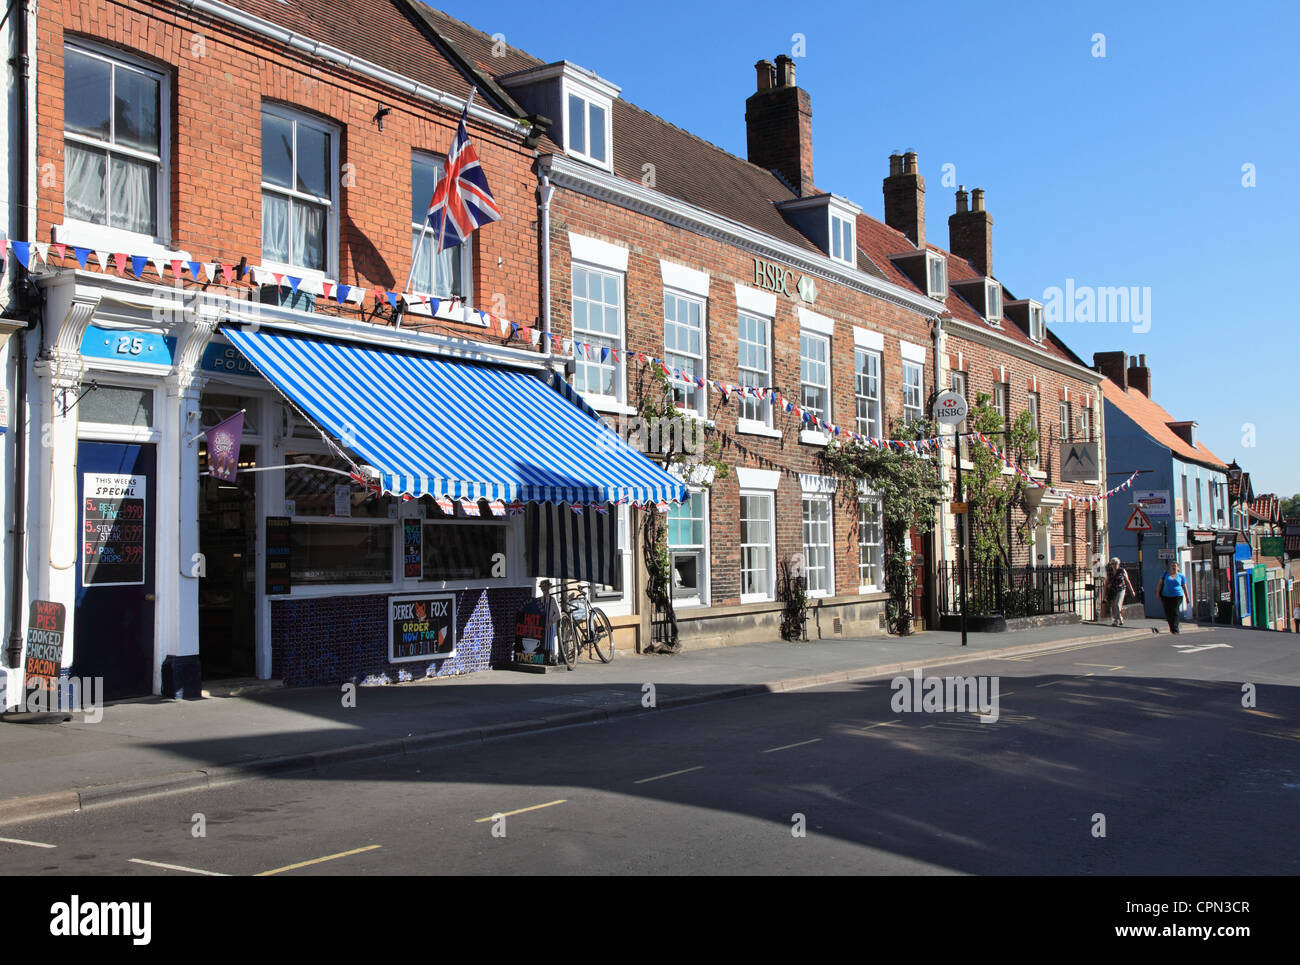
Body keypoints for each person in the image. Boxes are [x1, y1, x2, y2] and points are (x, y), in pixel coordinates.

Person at [1158, 560, 1191, 634]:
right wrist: (1157, 593)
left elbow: (1184, 587)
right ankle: (1171, 627)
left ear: (1178, 568)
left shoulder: (1181, 576)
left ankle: (1175, 628)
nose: (1173, 567)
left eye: (1174, 566)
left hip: (1177, 596)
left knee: (1175, 611)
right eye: (1172, 566)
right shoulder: (1165, 574)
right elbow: (1160, 584)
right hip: (1165, 596)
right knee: (1168, 612)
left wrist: (1187, 597)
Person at [1105, 558, 1136, 626]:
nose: (1113, 565)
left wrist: (1132, 591)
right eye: (1112, 563)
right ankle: (1118, 618)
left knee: (1117, 604)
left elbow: (1127, 581)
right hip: (1112, 590)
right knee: (1113, 605)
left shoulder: (1122, 571)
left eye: (1115, 563)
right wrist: (1105, 594)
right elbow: (1106, 582)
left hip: (1121, 589)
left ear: (1118, 564)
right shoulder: (1109, 571)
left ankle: (1116, 619)